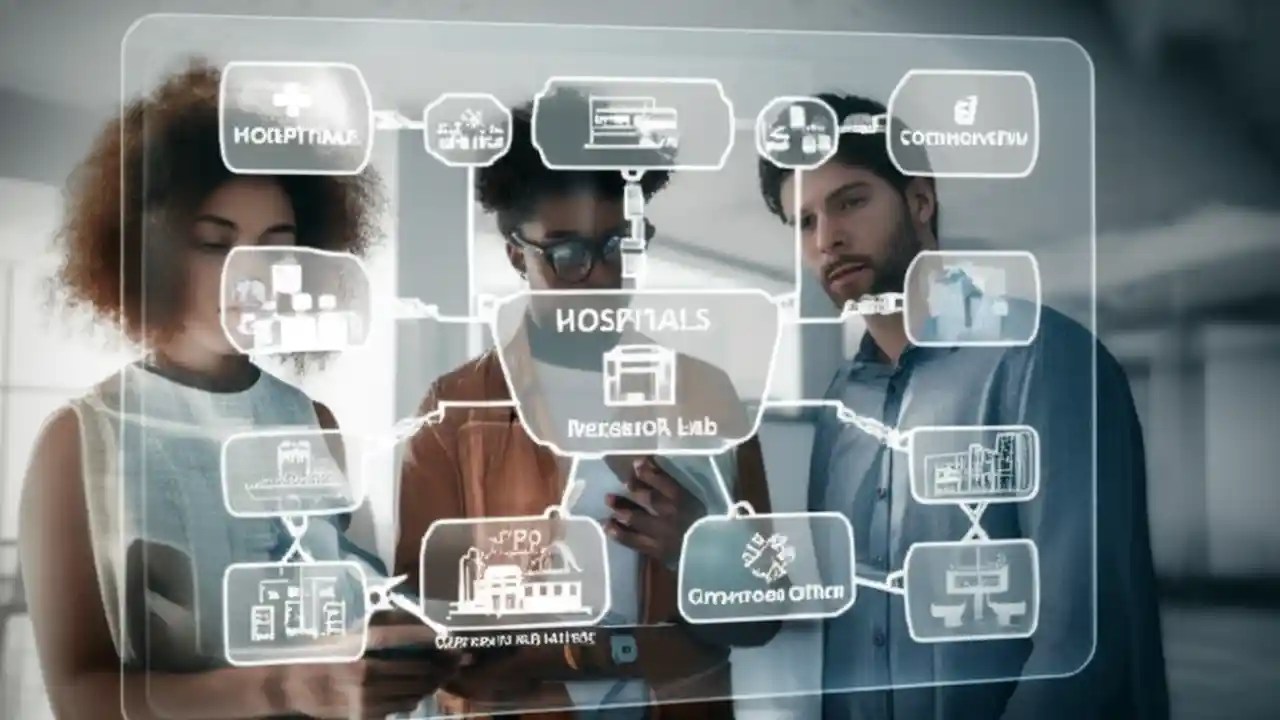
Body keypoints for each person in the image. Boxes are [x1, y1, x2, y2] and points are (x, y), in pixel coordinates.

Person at [19, 61, 456, 720]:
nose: (253, 276)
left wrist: (401, 639)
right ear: (154, 252)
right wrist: (288, 687)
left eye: (277, 247)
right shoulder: (80, 439)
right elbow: (80, 697)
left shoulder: (313, 421)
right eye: (215, 244)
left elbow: (345, 605)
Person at [756, 93, 1168, 719]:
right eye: (804, 222)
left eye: (851, 202)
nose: (827, 239)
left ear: (920, 201)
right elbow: (849, 630)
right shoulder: (843, 402)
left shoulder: (1040, 359)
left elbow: (1082, 644)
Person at [395, 96, 779, 720]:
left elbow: (763, 618)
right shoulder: (456, 411)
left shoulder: (706, 397)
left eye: (620, 244)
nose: (601, 277)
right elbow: (419, 635)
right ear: (516, 254)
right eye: (568, 255)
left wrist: (697, 550)